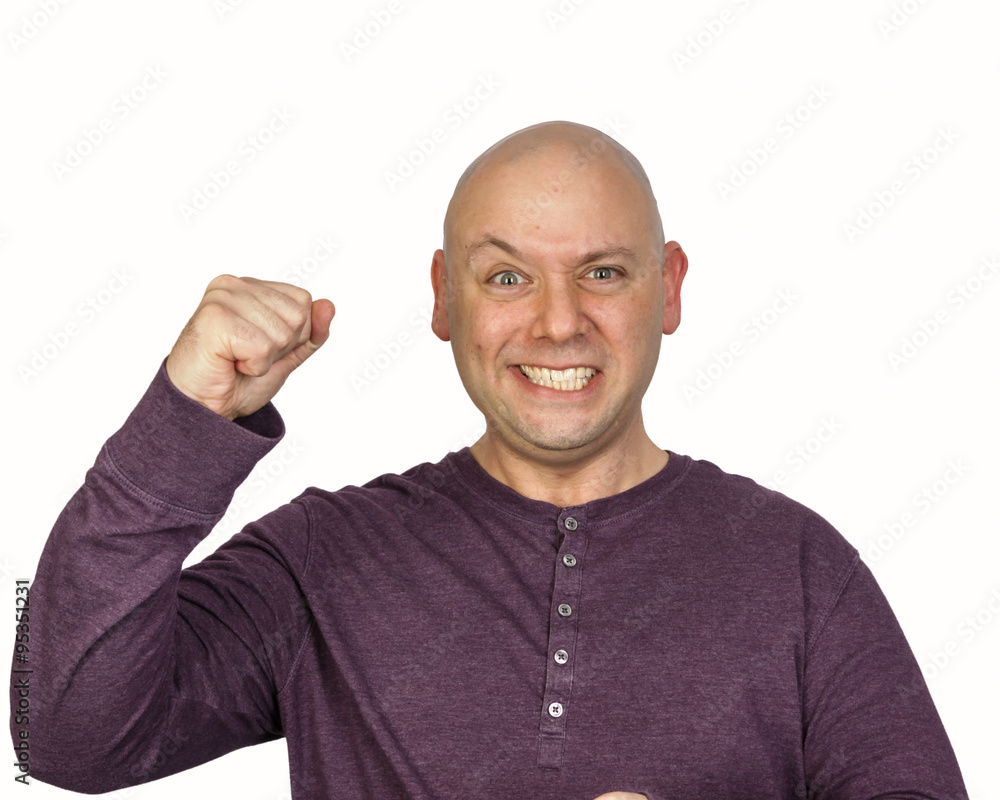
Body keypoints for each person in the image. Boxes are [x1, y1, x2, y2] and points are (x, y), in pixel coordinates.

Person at [12, 121, 968, 799]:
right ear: (444, 299)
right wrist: (180, 426)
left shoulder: (797, 567)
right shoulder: (319, 562)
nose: (558, 321)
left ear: (667, 289)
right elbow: (68, 739)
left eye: (602, 272)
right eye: (507, 276)